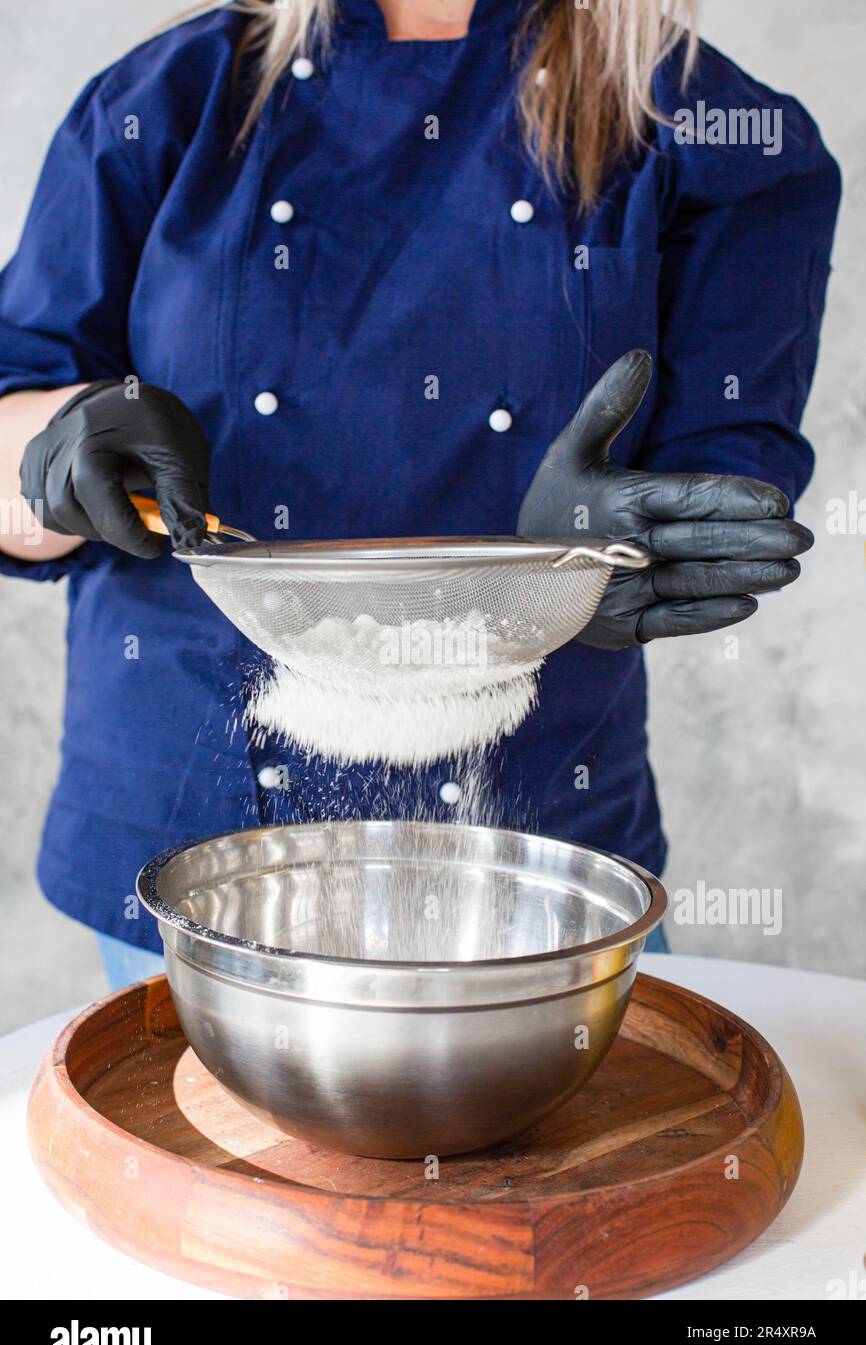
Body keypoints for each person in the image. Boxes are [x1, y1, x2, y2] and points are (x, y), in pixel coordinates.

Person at [0, 0, 839, 987]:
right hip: (188, 835)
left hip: (535, 853)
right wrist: (59, 446)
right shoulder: (168, 97)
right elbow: (16, 426)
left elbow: (717, 483)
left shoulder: (704, 125)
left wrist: (607, 558)